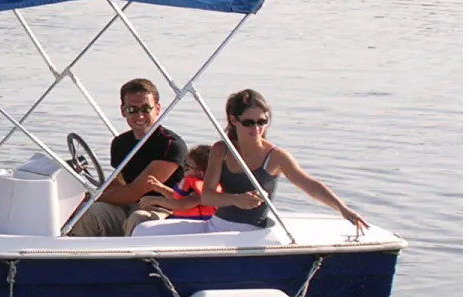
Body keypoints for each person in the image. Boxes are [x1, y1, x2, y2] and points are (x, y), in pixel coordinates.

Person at [136, 89, 369, 236]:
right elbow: (207, 196)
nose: (256, 129)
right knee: (143, 231)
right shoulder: (222, 150)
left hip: (248, 233)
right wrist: (235, 199)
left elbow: (309, 185)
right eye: (249, 123)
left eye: (262, 121)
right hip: (216, 225)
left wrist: (342, 209)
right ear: (233, 120)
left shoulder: (275, 156)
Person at [68, 78, 187, 237]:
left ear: (157, 109)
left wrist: (95, 197)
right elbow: (119, 183)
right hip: (130, 206)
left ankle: (133, 261)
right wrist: (81, 199)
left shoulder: (171, 145)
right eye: (132, 109)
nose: (140, 115)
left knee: (139, 221)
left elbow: (134, 192)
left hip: (164, 209)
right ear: (123, 111)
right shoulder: (120, 143)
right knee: (86, 213)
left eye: (146, 109)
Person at [136, 144, 219, 220]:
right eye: (184, 164)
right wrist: (161, 188)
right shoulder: (192, 186)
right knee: (139, 212)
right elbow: (177, 198)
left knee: (138, 217)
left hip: (194, 226)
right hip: (182, 221)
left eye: (187, 167)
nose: (184, 168)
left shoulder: (202, 192)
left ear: (200, 173)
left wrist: (156, 200)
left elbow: (182, 204)